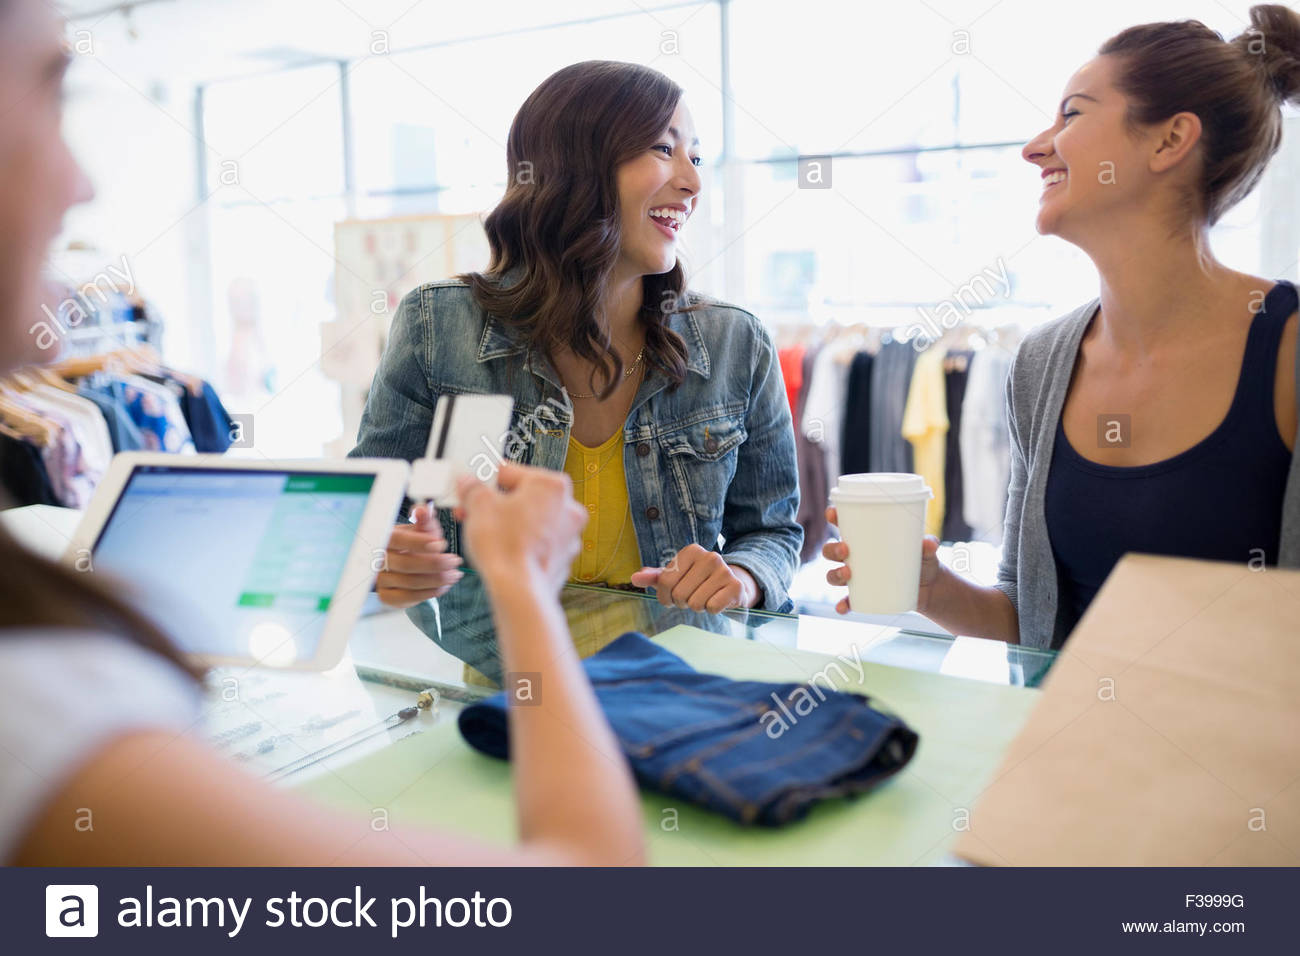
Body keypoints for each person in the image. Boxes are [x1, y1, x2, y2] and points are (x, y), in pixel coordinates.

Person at [0, 0, 642, 865]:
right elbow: (589, 889)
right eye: (50, 93)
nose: (85, 186)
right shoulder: (42, 709)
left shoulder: (730, 339)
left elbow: (770, 528)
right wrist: (518, 582)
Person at [824, 5, 1300, 649]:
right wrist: (927, 587)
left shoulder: (1287, 351)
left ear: (1169, 140)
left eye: (1072, 114)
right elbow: (1030, 614)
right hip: (1075, 743)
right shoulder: (1043, 363)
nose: (1034, 147)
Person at [354, 61, 802, 616]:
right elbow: (367, 518)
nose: (692, 181)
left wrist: (742, 577)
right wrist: (388, 559)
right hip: (502, 688)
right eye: (665, 149)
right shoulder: (438, 325)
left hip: (679, 680)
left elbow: (773, 532)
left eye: (697, 156)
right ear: (575, 166)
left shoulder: (735, 341)